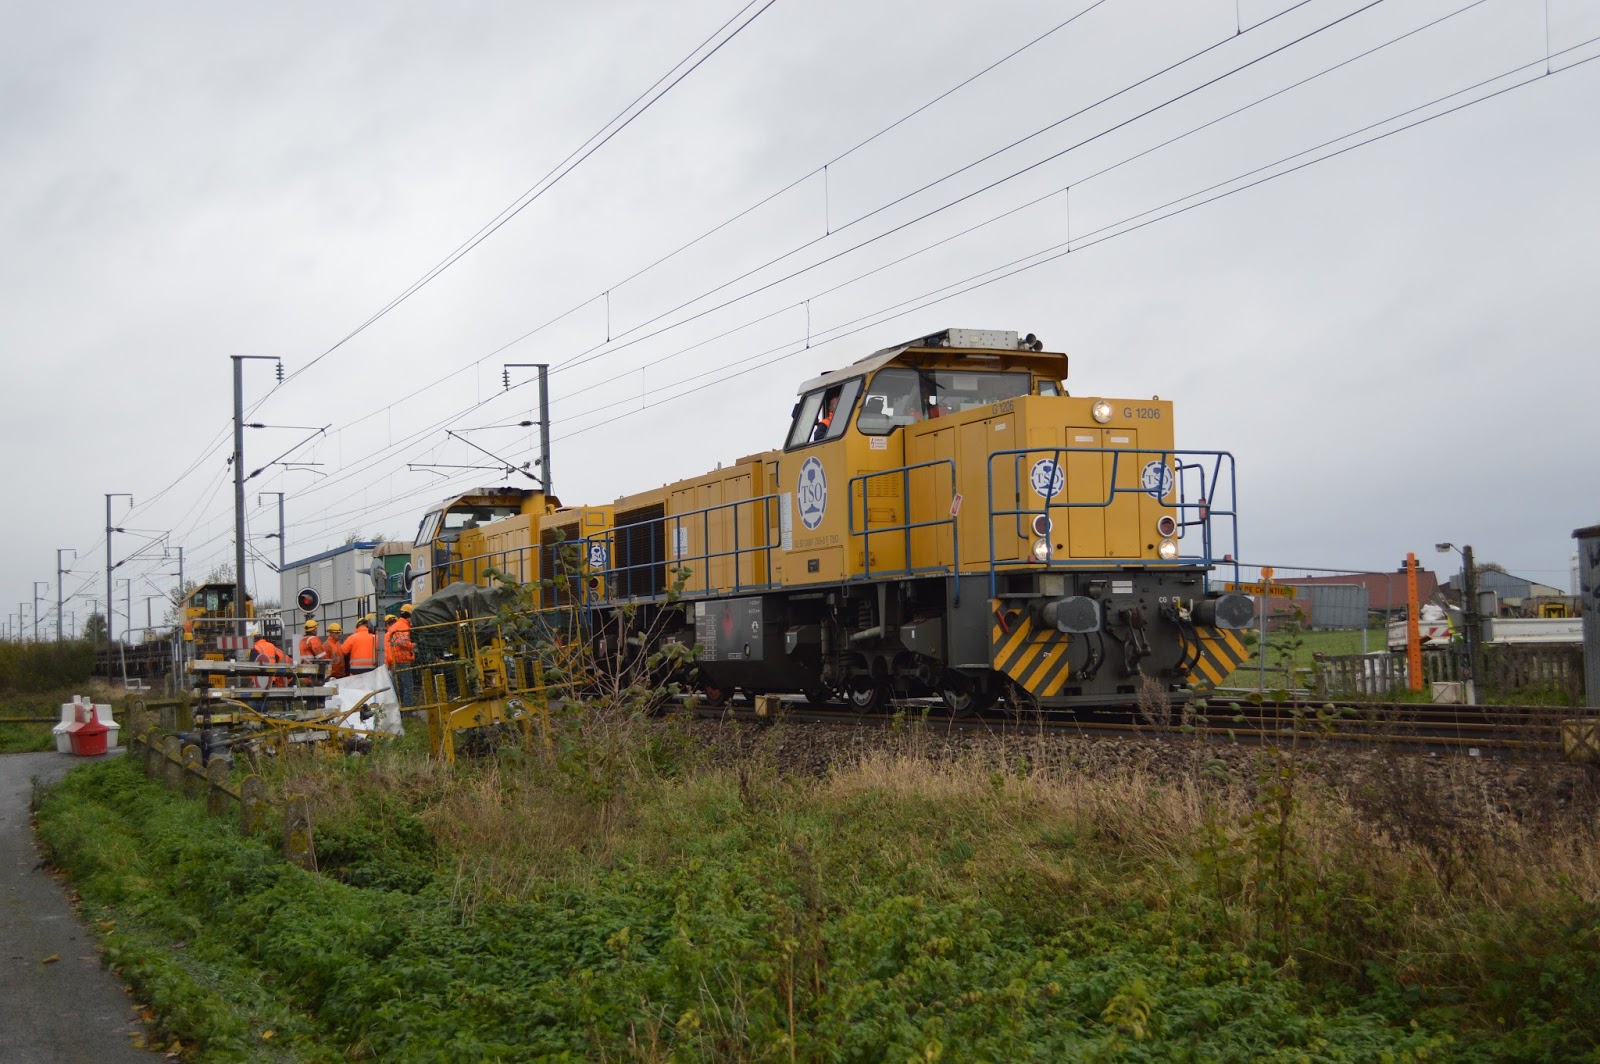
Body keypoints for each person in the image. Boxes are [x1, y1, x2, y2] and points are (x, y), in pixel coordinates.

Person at [385, 609, 416, 706]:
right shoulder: (403, 625)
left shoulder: (394, 627)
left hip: (395, 661)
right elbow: (403, 643)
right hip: (404, 660)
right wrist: (413, 646)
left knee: (398, 688)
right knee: (407, 687)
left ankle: (400, 710)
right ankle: (408, 713)